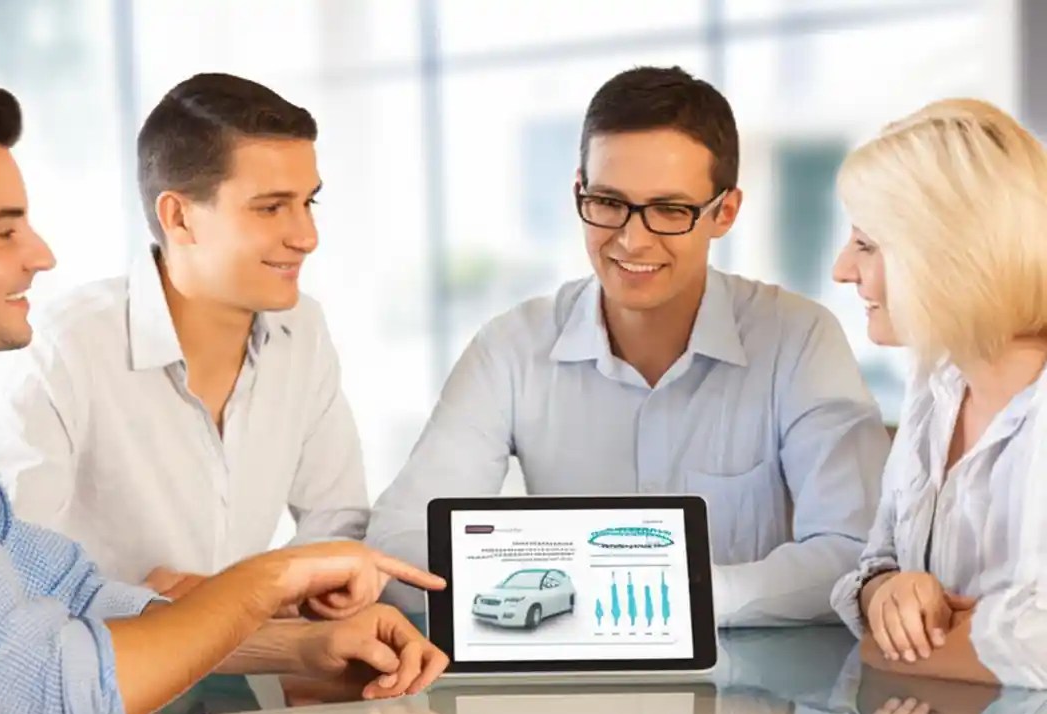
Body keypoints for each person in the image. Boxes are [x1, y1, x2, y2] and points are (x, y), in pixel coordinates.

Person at [0, 75, 446, 714]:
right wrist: (269, 580)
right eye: (5, 231)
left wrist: (296, 646)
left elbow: (69, 593)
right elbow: (39, 692)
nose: (41, 255)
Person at [366, 65, 890, 627]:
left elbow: (855, 553)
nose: (632, 239)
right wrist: (567, 593)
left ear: (726, 213)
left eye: (670, 210)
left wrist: (674, 599)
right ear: (578, 193)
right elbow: (399, 545)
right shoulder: (510, 349)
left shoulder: (798, 338)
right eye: (609, 203)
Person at [0, 72, 366, 583]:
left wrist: (277, 595)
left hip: (254, 650)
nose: (307, 236)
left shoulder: (303, 329)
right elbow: (17, 570)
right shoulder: (69, 346)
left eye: (307, 202)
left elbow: (337, 522)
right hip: (108, 659)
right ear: (179, 218)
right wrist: (164, 610)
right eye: (272, 207)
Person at [829, 98, 1047, 689]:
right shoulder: (939, 383)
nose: (842, 270)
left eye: (867, 245)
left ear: (945, 255)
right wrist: (893, 594)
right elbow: (876, 565)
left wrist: (894, 646)